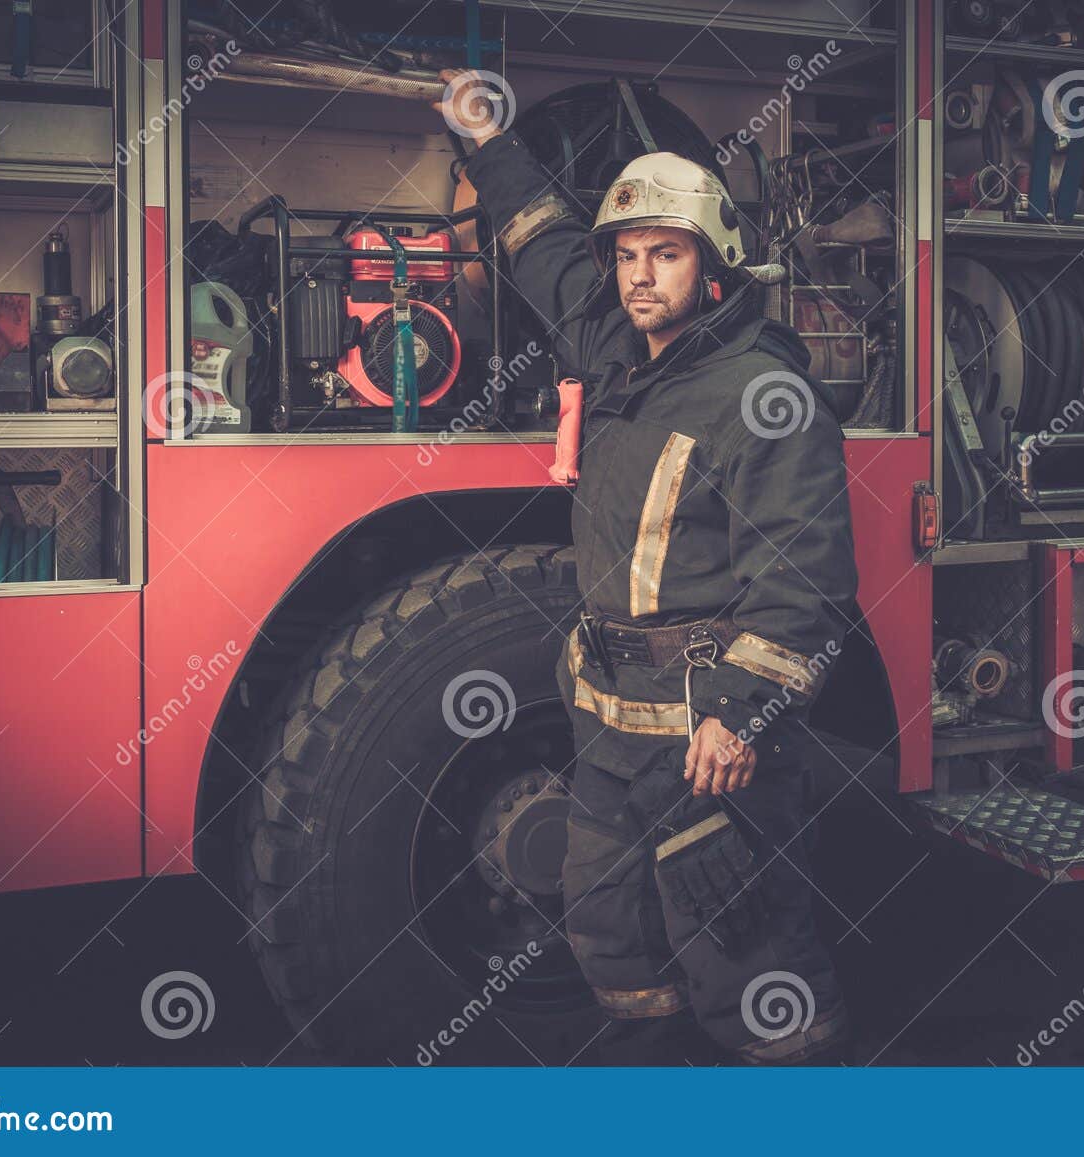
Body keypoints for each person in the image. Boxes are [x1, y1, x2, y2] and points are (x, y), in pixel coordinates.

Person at [436, 70, 860, 1064]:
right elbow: (540, 243)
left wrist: (739, 708)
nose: (638, 275)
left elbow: (805, 581)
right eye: (626, 255)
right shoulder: (617, 347)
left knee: (745, 950)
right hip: (610, 728)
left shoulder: (763, 395)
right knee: (612, 931)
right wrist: (485, 138)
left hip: (705, 738)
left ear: (712, 263)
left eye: (663, 254)